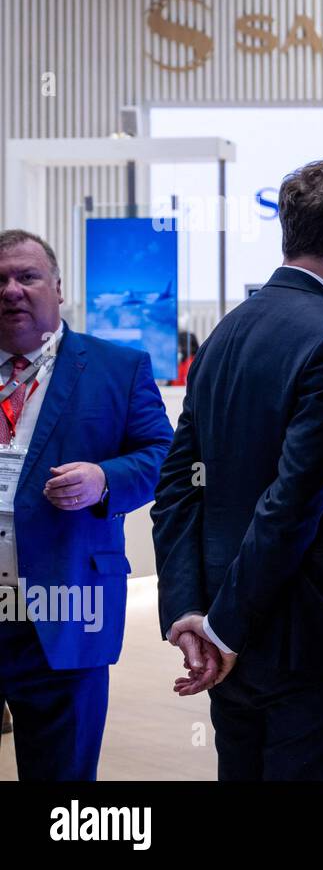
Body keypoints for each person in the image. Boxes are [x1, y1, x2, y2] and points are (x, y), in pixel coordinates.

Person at [152, 160, 323, 780]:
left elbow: (176, 489)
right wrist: (222, 628)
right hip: (306, 642)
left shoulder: (223, 335)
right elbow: (293, 502)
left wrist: (190, 615)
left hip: (232, 643)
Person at [0, 229, 172, 780]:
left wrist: (104, 479)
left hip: (66, 604)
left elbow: (163, 455)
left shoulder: (117, 369)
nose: (11, 290)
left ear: (57, 287)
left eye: (26, 277)